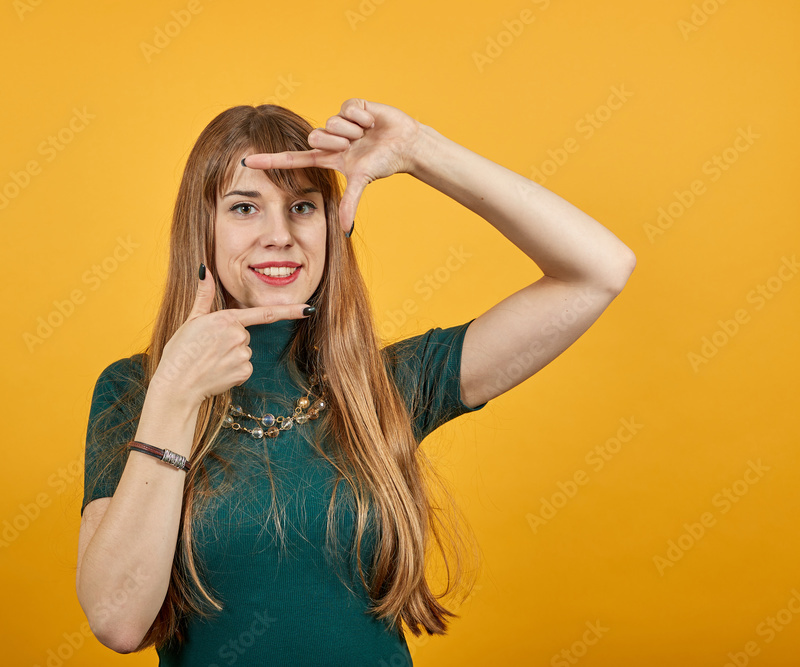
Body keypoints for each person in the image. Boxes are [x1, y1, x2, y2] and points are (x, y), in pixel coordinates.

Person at [75, 98, 636, 664]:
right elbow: (119, 623)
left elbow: (599, 271)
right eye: (245, 208)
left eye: (302, 206)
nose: (279, 235)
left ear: (332, 224)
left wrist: (420, 150)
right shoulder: (136, 391)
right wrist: (175, 396)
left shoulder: (385, 384)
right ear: (202, 229)